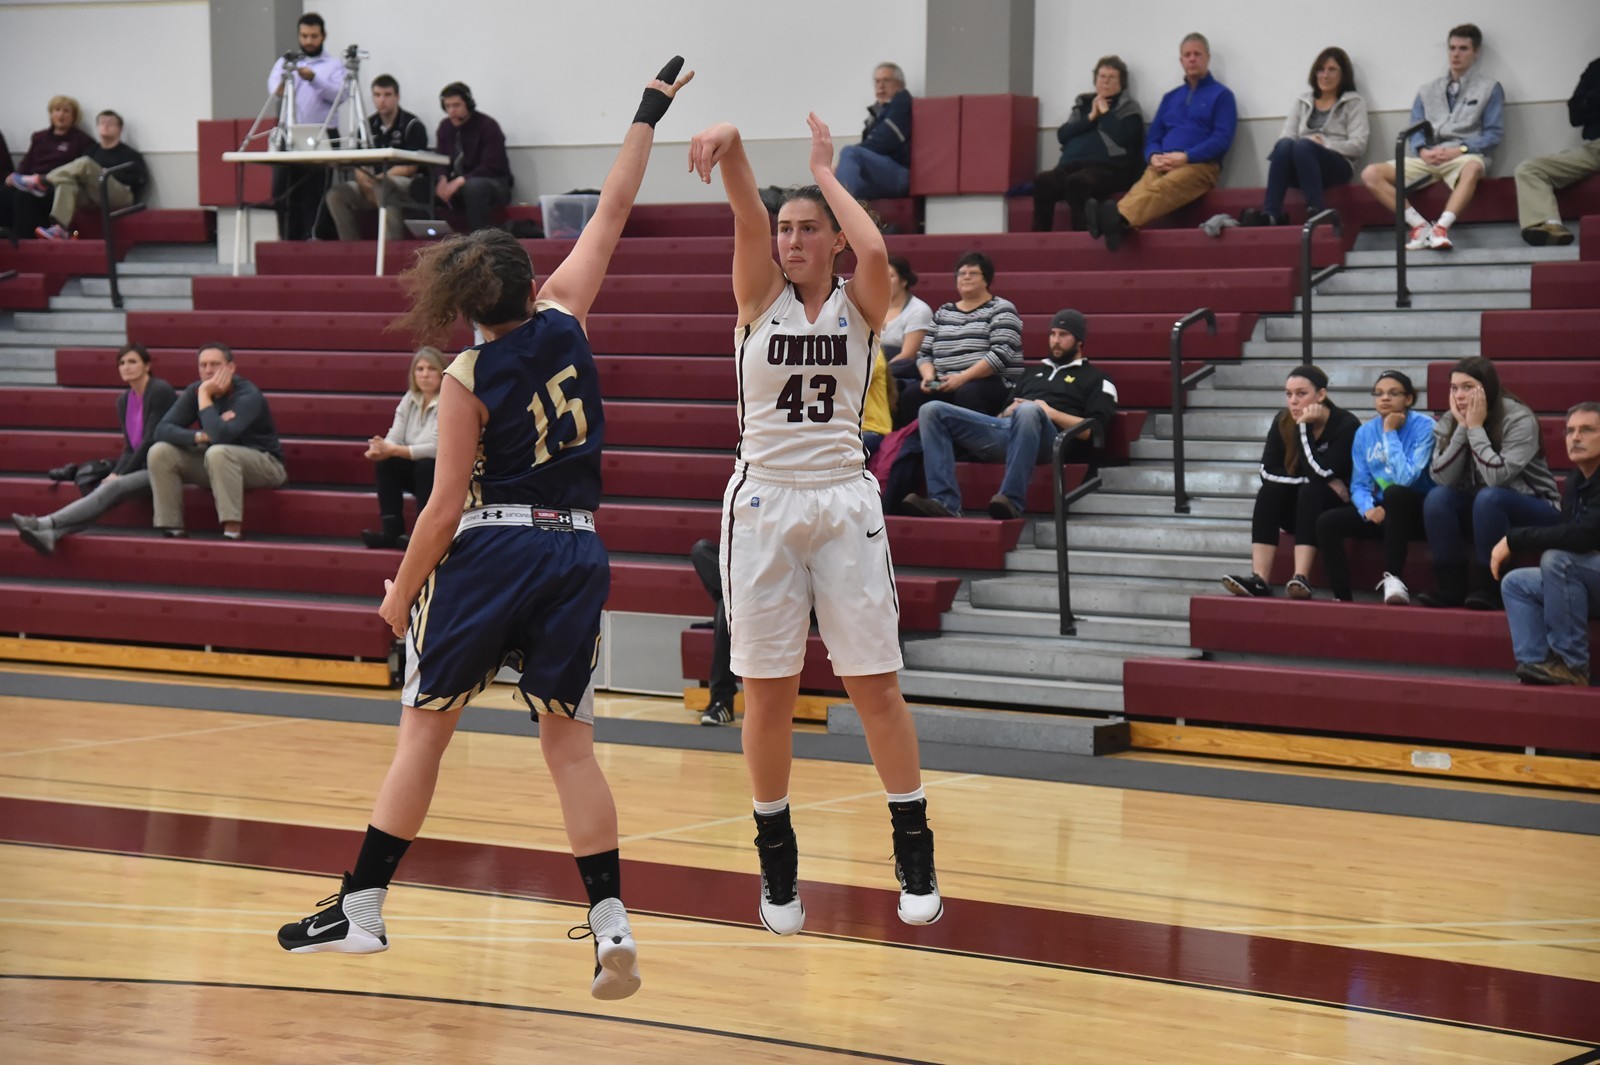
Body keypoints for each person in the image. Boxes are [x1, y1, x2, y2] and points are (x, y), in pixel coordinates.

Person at [275, 57, 694, 1002]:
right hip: (578, 547)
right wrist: (646, 110)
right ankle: (610, 920)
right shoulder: (569, 318)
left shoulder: (465, 377)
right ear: (529, 280)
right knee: (572, 748)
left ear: (464, 303)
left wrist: (394, 595)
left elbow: (442, 505)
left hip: (494, 548)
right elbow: (615, 209)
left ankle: (365, 906)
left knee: (423, 730)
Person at [688, 111, 942, 936]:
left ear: (829, 237)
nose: (791, 239)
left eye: (807, 229)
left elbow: (873, 252)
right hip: (764, 500)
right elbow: (746, 216)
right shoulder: (757, 294)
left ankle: (913, 842)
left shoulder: (860, 301)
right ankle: (776, 856)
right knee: (768, 693)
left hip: (842, 499)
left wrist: (827, 173)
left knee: (875, 685)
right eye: (786, 229)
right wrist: (733, 143)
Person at [903, 309, 1115, 520]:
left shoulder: (1097, 379)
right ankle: (944, 501)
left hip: (1050, 441)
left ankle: (1010, 500)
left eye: (1063, 335)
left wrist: (1048, 412)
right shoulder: (1031, 373)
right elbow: (1001, 416)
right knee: (931, 410)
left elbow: (1093, 431)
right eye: (1052, 334)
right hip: (1008, 430)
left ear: (1079, 341)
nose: (1056, 340)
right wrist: (1008, 411)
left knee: (1028, 409)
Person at [1418, 357, 1561, 609]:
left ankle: (1491, 586)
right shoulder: (1451, 419)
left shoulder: (1518, 417)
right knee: (1438, 498)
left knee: (1490, 497)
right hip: (1482, 510)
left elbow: (1497, 477)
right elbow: (1441, 477)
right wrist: (1462, 427)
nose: (1459, 395)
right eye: (1454, 388)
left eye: (1468, 387)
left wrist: (1475, 428)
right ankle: (1451, 586)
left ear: (1487, 387)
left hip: (1536, 506)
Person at [10, 345, 177, 556]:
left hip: (161, 467)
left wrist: (120, 474)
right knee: (108, 488)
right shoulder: (124, 400)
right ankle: (52, 534)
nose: (126, 367)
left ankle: (44, 522)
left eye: (133, 362)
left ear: (147, 366)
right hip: (140, 466)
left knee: (111, 488)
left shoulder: (160, 391)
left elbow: (150, 440)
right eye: (122, 363)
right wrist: (116, 473)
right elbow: (129, 447)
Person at [1085, 33, 1235, 251]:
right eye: (1187, 55)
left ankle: (1113, 220)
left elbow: (1221, 140)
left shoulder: (1222, 95)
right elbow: (1154, 136)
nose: (1192, 59)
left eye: (1197, 54)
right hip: (1162, 162)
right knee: (1141, 187)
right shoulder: (1170, 97)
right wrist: (1153, 156)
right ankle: (1117, 225)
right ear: (1181, 60)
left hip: (1199, 166)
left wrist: (1186, 156)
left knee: (1163, 187)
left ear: (1207, 58)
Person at [1360, 24, 1503, 252]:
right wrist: (1422, 151)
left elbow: (1493, 135)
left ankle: (1441, 228)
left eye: (1463, 48)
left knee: (1474, 167)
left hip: (1463, 156)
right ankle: (1419, 225)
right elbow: (1416, 128)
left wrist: (1462, 149)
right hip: (1429, 157)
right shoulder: (1427, 89)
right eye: (1452, 48)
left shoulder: (1490, 88)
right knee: (1371, 173)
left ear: (1476, 52)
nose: (1456, 54)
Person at [1223, 365, 1360, 599]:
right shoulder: (1283, 420)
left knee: (1311, 491)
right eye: (1289, 394)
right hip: (1298, 509)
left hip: (1332, 509)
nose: (1293, 401)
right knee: (1270, 491)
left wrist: (1304, 429)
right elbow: (1266, 471)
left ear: (1321, 395)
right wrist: (1319, 479)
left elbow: (1324, 471)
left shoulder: (1346, 424)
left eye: (1301, 394)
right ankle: (1260, 580)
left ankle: (1300, 578)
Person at [1495, 402, 1600, 686]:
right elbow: (1572, 533)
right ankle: (1537, 664)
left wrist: (1514, 538)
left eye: (1587, 430)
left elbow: (1585, 536)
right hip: (1591, 579)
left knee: (1559, 560)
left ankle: (1572, 665)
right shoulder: (1577, 480)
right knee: (1517, 583)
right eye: (1570, 431)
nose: (1575, 437)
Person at [1313, 370, 1434, 604]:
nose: (1384, 399)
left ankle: (1393, 579)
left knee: (1396, 493)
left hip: (1417, 512)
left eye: (1393, 393)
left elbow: (1406, 479)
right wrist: (1367, 509)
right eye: (1378, 394)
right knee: (1327, 522)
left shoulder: (1425, 427)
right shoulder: (1365, 433)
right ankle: (1342, 597)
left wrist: (1389, 434)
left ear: (1409, 399)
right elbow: (1359, 484)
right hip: (1384, 512)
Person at [146, 344, 288, 540]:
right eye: (203, 365)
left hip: (265, 464)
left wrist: (204, 396)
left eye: (215, 364)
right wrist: (200, 436)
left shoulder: (247, 394)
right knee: (160, 451)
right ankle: (172, 527)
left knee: (219, 451)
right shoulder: (195, 389)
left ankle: (232, 531)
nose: (208, 370)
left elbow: (221, 437)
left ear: (231, 368)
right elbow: (161, 430)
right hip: (218, 464)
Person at [1241, 47, 1368, 227]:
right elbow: (1286, 135)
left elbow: (1359, 145)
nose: (1325, 75)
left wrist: (1326, 144)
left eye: (1332, 69)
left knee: (1303, 146)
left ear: (1343, 74)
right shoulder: (1303, 100)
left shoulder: (1354, 102)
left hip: (1336, 164)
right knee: (1285, 144)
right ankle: (1271, 214)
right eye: (1321, 69)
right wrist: (1299, 145)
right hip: (1301, 161)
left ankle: (1316, 210)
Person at [898, 251, 1023, 426]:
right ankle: (915, 448)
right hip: (946, 380)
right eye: (962, 273)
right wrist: (929, 377)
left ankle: (975, 450)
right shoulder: (944, 311)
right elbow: (924, 353)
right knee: (911, 395)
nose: (966, 277)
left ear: (986, 279)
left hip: (992, 382)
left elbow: (1000, 355)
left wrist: (962, 377)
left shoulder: (1002, 309)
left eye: (973, 273)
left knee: (967, 392)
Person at [1031, 56, 1144, 233]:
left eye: (1112, 77)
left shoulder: (1128, 108)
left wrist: (1105, 113)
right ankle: (1039, 239)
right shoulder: (1083, 105)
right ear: (1095, 79)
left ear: (1121, 82)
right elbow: (1063, 134)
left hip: (1109, 169)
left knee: (1077, 183)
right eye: (1102, 76)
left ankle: (1083, 237)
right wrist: (1091, 117)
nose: (1106, 82)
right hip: (1071, 165)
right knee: (1043, 181)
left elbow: (1124, 138)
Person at [266, 12, 346, 240]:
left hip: (322, 133)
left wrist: (314, 78)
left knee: (315, 192)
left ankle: (314, 239)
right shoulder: (285, 62)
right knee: (283, 191)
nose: (308, 41)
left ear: (323, 36)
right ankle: (288, 240)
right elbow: (275, 91)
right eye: (304, 36)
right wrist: (289, 76)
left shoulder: (334, 65)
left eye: (313, 36)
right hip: (290, 133)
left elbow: (340, 95)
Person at [326, 74, 431, 242]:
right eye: (377, 95)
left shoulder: (412, 125)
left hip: (404, 184)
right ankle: (351, 248)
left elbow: (412, 166)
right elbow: (359, 161)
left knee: (383, 185)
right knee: (336, 194)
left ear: (397, 96)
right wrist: (362, 177)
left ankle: (390, 247)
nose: (382, 100)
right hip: (371, 182)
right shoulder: (366, 126)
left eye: (387, 95)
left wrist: (380, 179)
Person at [361, 348, 443, 549]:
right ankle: (392, 531)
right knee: (386, 464)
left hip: (442, 475)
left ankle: (423, 536)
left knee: (426, 466)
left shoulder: (450, 400)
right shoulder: (409, 398)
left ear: (443, 373)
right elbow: (395, 435)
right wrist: (380, 449)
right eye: (420, 369)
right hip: (416, 469)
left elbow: (436, 448)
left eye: (431, 369)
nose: (424, 374)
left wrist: (392, 450)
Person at [1515, 57, 1600, 247]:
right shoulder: (1596, 68)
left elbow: (1584, 105)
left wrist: (1591, 102)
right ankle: (1549, 226)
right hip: (1595, 147)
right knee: (1530, 169)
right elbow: (1575, 114)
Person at [31, 109, 147, 241]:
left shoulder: (129, 154)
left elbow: (140, 180)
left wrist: (105, 174)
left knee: (85, 164)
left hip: (121, 195)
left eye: (110, 123)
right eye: (102, 122)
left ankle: (41, 180)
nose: (105, 125)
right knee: (66, 181)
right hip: (94, 195)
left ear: (120, 129)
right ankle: (60, 228)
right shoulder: (91, 150)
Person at [1, 96, 94, 239]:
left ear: (74, 116)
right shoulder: (39, 137)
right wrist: (15, 176)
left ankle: (24, 241)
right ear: (51, 114)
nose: (61, 114)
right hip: (31, 181)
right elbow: (27, 163)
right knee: (4, 192)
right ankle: (5, 236)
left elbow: (79, 171)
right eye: (57, 110)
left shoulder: (82, 140)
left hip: (56, 185)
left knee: (24, 196)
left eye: (66, 111)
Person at [434, 82, 512, 234]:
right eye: (447, 106)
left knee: (474, 187)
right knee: (420, 185)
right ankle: (432, 236)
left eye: (456, 105)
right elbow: (441, 158)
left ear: (468, 104)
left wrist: (460, 181)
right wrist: (442, 179)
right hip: (458, 183)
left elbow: (492, 165)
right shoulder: (445, 127)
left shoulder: (488, 125)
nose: (452, 111)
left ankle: (479, 239)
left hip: (493, 182)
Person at [835, 63, 913, 201]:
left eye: (886, 80)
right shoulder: (876, 113)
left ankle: (839, 214)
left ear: (900, 84)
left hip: (901, 174)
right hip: (882, 176)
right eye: (877, 81)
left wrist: (848, 157)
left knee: (850, 152)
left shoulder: (902, 102)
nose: (880, 85)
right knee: (831, 182)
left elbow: (884, 140)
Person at [689, 538, 737, 726]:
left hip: (785, 580)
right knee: (701, 550)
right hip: (749, 579)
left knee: (729, 605)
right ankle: (736, 594)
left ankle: (722, 701)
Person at [880, 253, 933, 388]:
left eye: (890, 276)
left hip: (902, 370)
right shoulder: (871, 306)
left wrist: (878, 371)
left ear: (903, 281)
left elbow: (908, 355)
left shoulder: (919, 310)